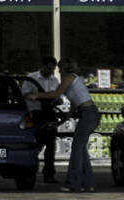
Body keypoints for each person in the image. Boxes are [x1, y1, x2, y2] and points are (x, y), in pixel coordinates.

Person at [28, 57, 97, 192]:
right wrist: (64, 119)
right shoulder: (72, 79)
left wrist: (36, 96)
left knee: (77, 149)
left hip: (88, 113)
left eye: (60, 68)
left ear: (65, 68)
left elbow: (55, 93)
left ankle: (73, 183)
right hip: (88, 113)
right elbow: (73, 104)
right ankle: (87, 183)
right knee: (81, 149)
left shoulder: (69, 77)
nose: (58, 71)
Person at [25, 56, 62, 183]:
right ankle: (29, 169)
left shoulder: (54, 80)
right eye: (48, 68)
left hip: (50, 113)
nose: (50, 71)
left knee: (51, 145)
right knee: (37, 143)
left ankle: (49, 173)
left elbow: (58, 95)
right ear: (43, 66)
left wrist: (56, 100)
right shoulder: (32, 78)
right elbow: (25, 94)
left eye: (52, 69)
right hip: (37, 114)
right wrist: (40, 98)